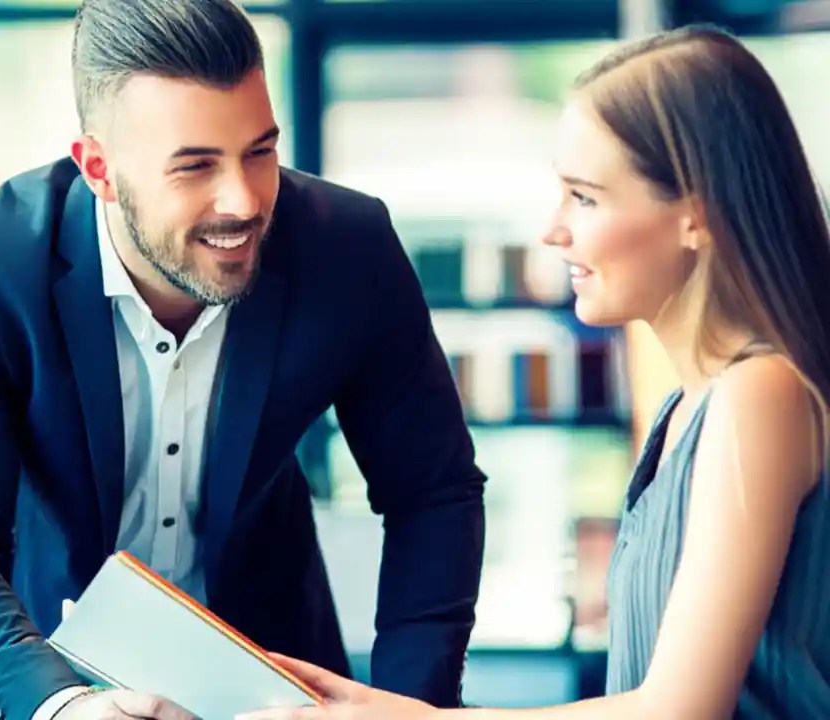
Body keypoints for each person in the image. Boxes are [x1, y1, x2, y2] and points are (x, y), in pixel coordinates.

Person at [0, 1, 488, 719]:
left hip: (259, 684)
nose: (244, 200)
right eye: (195, 167)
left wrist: (409, 708)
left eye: (261, 151)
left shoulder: (347, 247)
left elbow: (432, 492)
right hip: (17, 678)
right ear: (98, 168)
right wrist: (62, 706)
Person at [238, 24, 830, 720]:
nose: (553, 229)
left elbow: (677, 709)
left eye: (585, 197)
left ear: (692, 217)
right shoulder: (686, 409)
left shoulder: (758, 393)